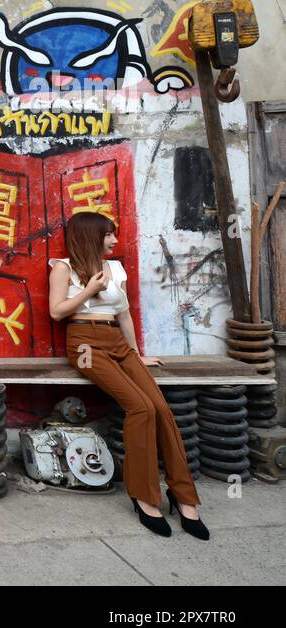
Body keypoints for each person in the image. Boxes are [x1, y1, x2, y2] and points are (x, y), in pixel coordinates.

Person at [48, 212, 209, 540]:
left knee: (161, 408)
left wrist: (136, 353)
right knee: (140, 407)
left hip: (117, 343)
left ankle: (183, 495)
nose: (114, 240)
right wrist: (88, 290)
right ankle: (145, 496)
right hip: (83, 343)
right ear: (92, 236)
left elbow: (123, 314)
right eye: (108, 235)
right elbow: (57, 311)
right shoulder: (63, 267)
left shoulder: (115, 269)